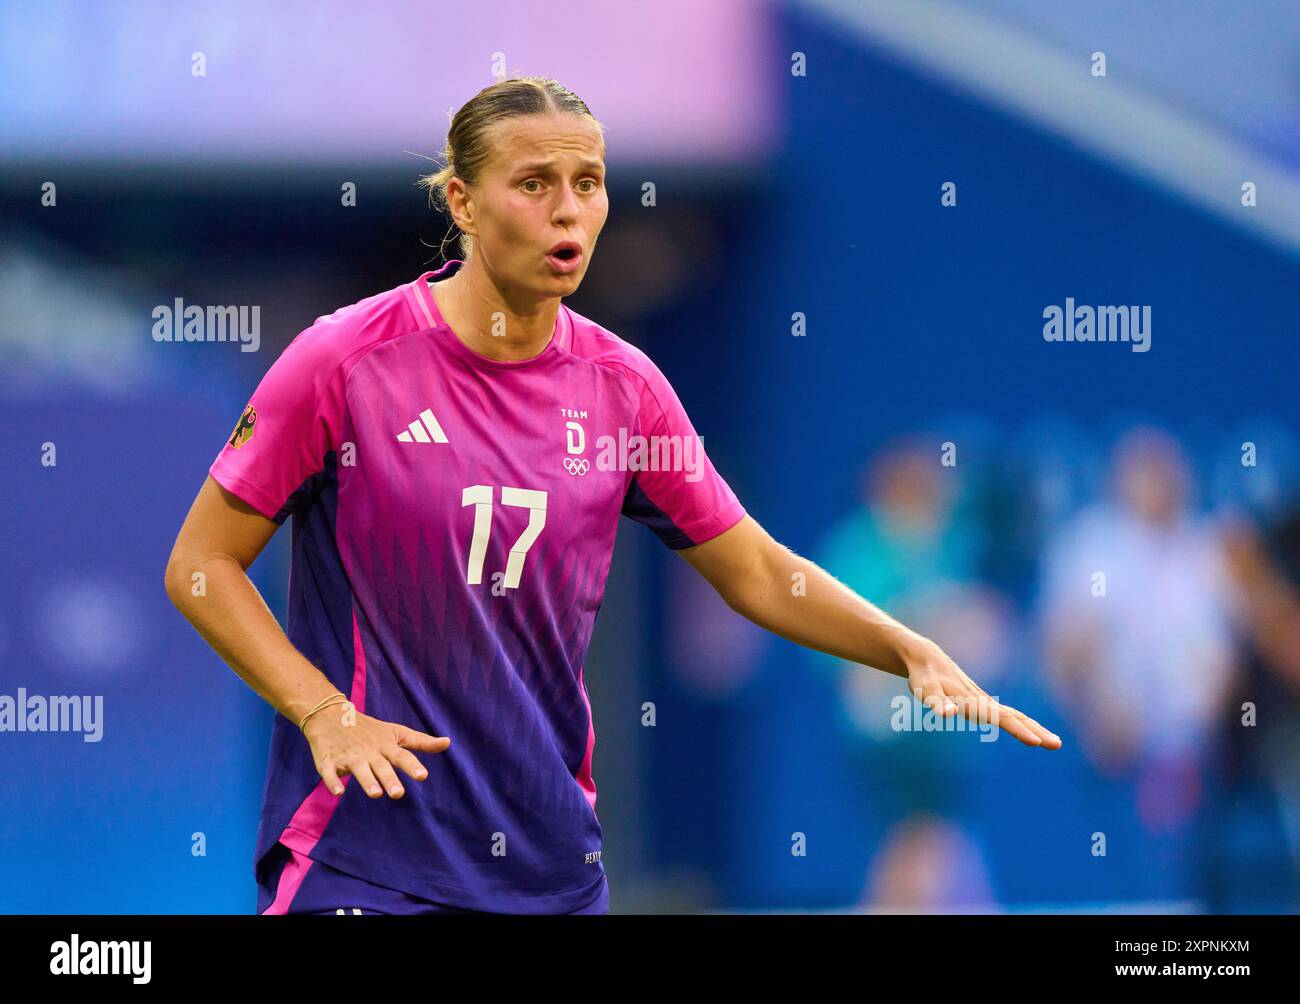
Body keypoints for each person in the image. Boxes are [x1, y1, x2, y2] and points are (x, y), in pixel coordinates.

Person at [164, 76, 1060, 916]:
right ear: (462, 203)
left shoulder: (624, 387)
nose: (568, 209)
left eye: (588, 181)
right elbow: (201, 565)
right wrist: (325, 713)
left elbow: (754, 570)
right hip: (364, 853)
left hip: (548, 862)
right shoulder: (344, 362)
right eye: (534, 182)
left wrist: (908, 652)